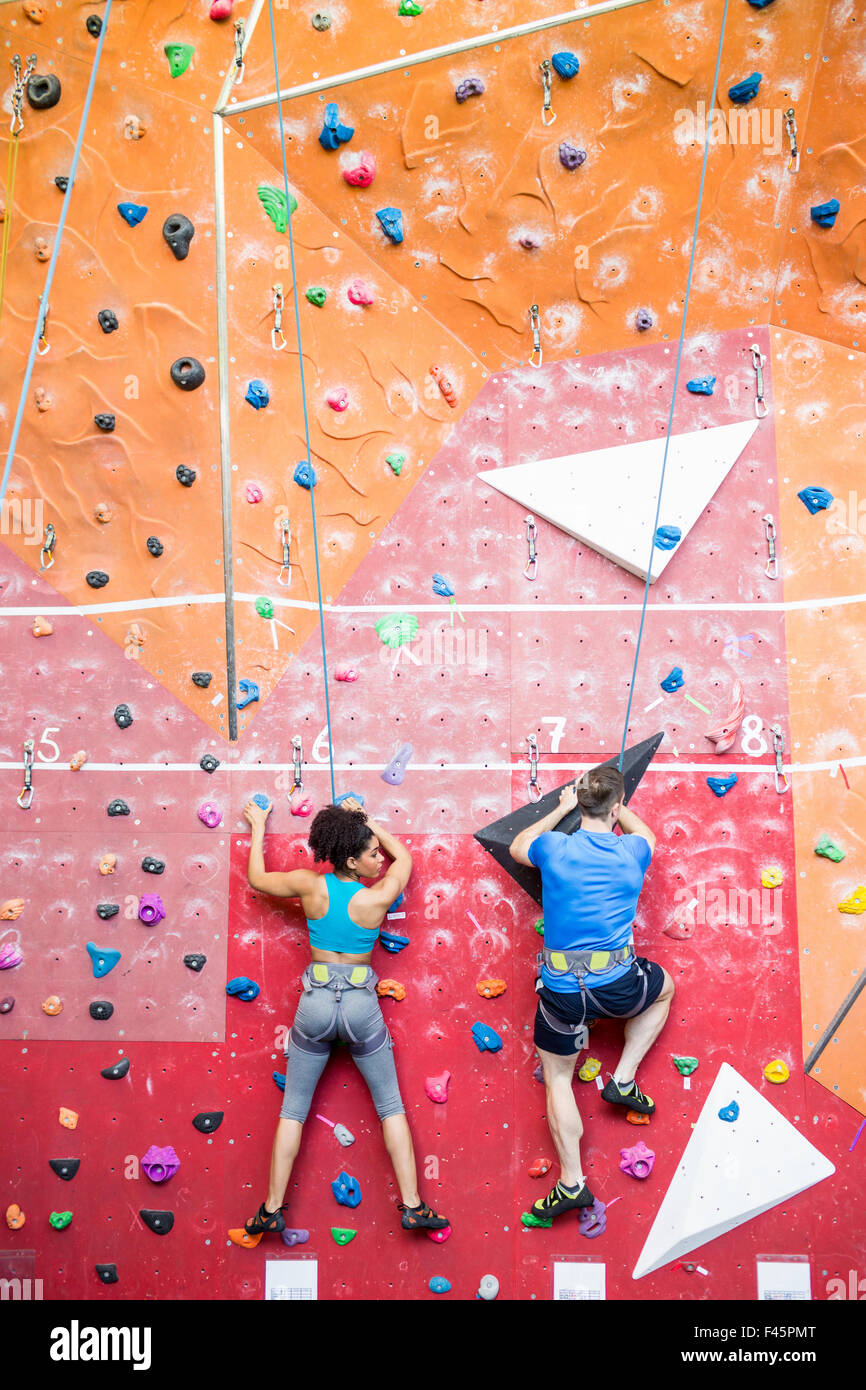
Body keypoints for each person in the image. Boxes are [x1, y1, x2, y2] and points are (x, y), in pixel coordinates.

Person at [240, 796, 448, 1239]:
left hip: (315, 1002)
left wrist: (258, 824)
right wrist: (367, 819)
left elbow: (257, 878)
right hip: (359, 1005)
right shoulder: (377, 895)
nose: (380, 858)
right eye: (371, 852)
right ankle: (412, 1206)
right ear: (352, 861)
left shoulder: (309, 885)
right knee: (390, 1106)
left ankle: (271, 1210)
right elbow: (405, 857)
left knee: (292, 1111)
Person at [508, 765, 674, 1221]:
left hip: (562, 992)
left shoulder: (554, 847)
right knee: (664, 989)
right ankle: (622, 1079)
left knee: (559, 1079)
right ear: (615, 807)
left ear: (580, 804)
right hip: (618, 986)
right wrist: (619, 806)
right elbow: (649, 833)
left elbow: (518, 845)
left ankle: (571, 1183)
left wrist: (561, 807)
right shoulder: (633, 850)